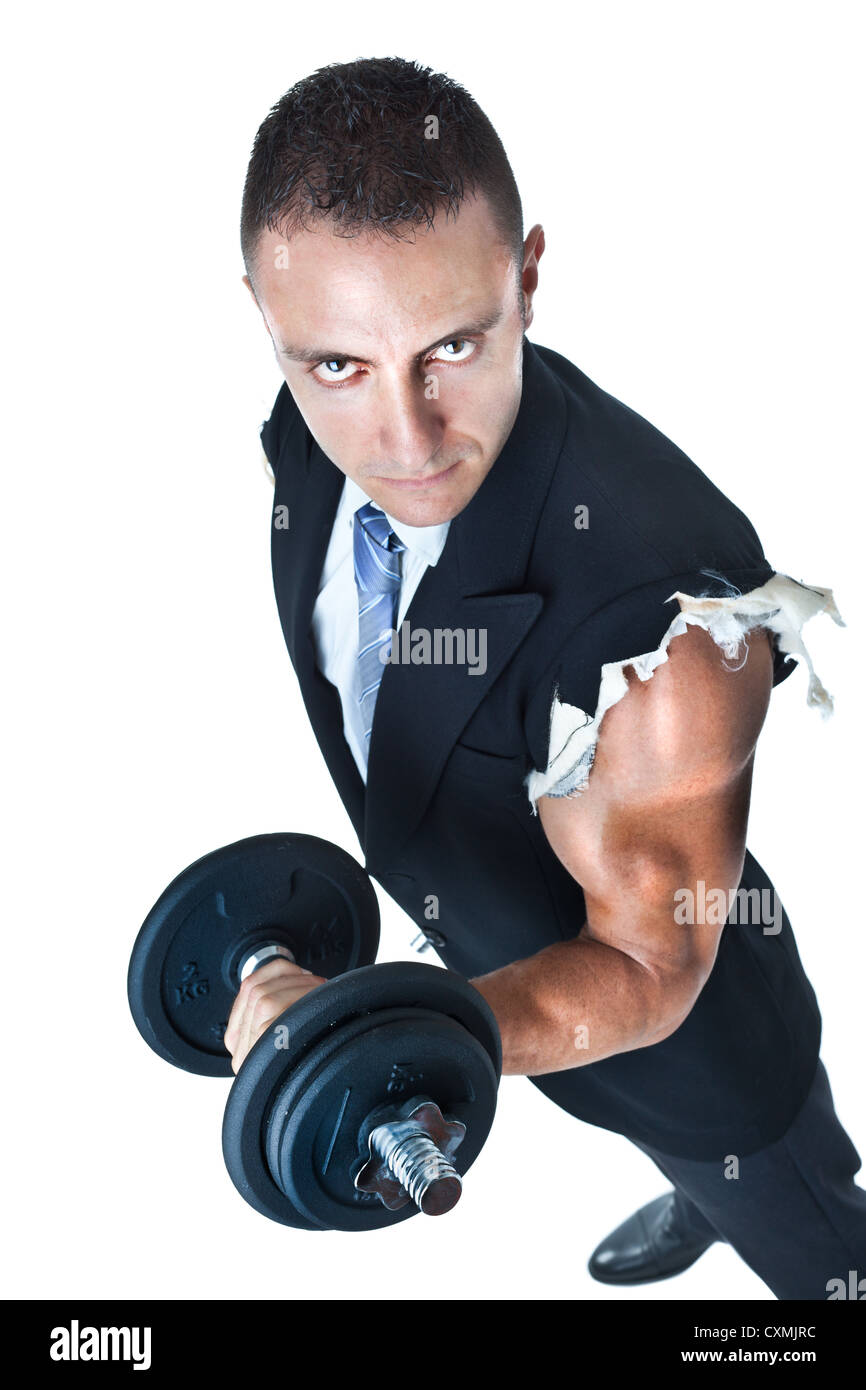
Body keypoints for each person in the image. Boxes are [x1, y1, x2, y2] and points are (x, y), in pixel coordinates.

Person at [224, 56, 866, 1298]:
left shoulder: (660, 620)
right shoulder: (309, 432)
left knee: (789, 1213)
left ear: (526, 275)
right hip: (529, 984)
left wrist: (370, 1029)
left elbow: (638, 971)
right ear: (264, 313)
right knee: (648, 1134)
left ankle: (764, 1213)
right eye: (338, 367)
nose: (403, 442)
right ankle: (696, 1202)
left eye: (453, 345)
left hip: (703, 1060)